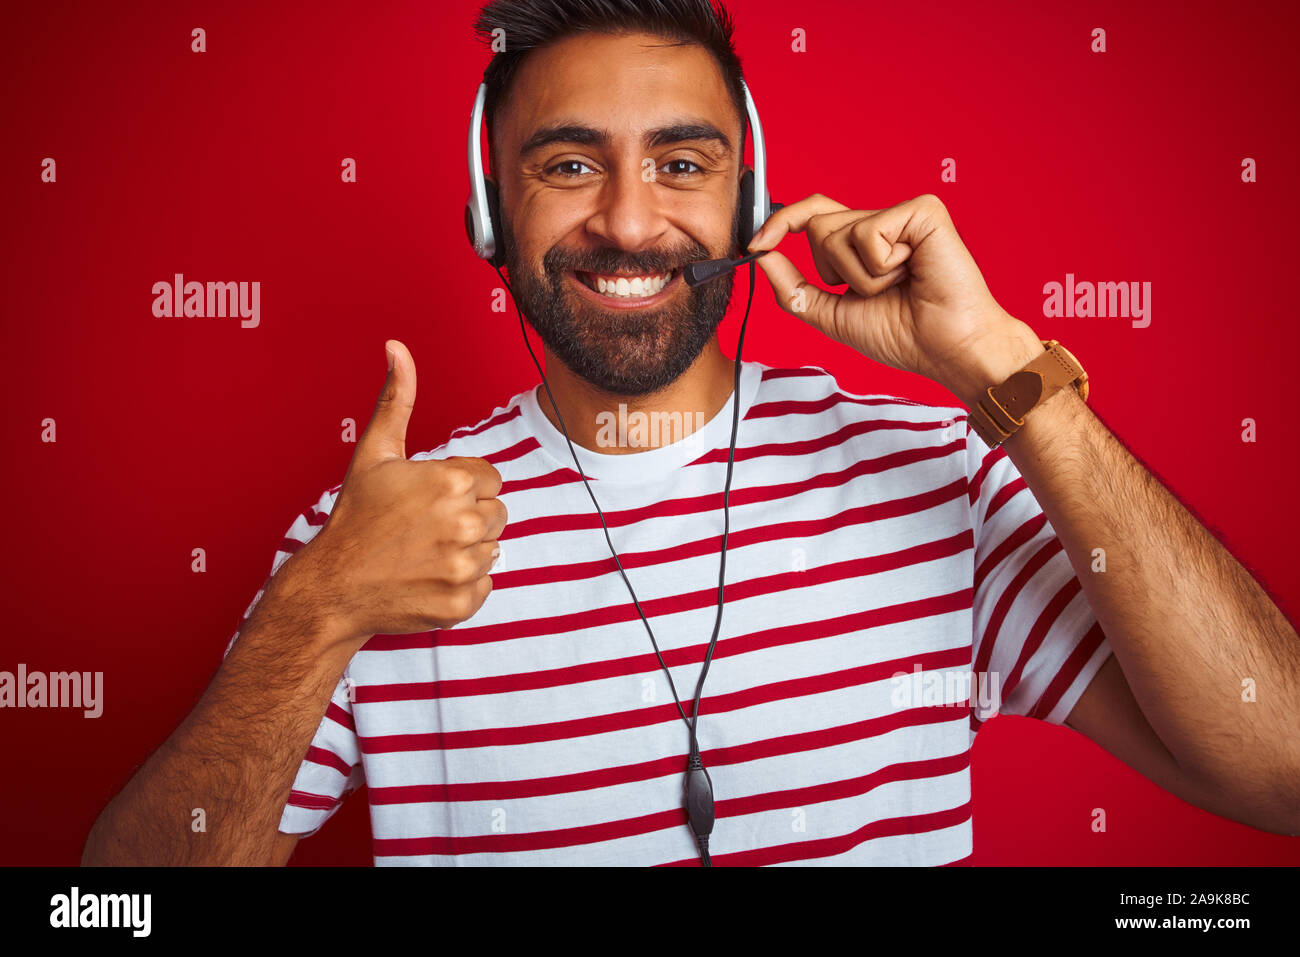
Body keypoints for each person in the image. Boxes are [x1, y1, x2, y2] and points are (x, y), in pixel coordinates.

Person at [83, 0, 1300, 867]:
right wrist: (321, 608)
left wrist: (1002, 370)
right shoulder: (374, 543)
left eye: (680, 161)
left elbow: (1279, 772)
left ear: (749, 201)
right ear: (486, 215)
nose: (628, 220)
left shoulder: (935, 472)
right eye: (567, 164)